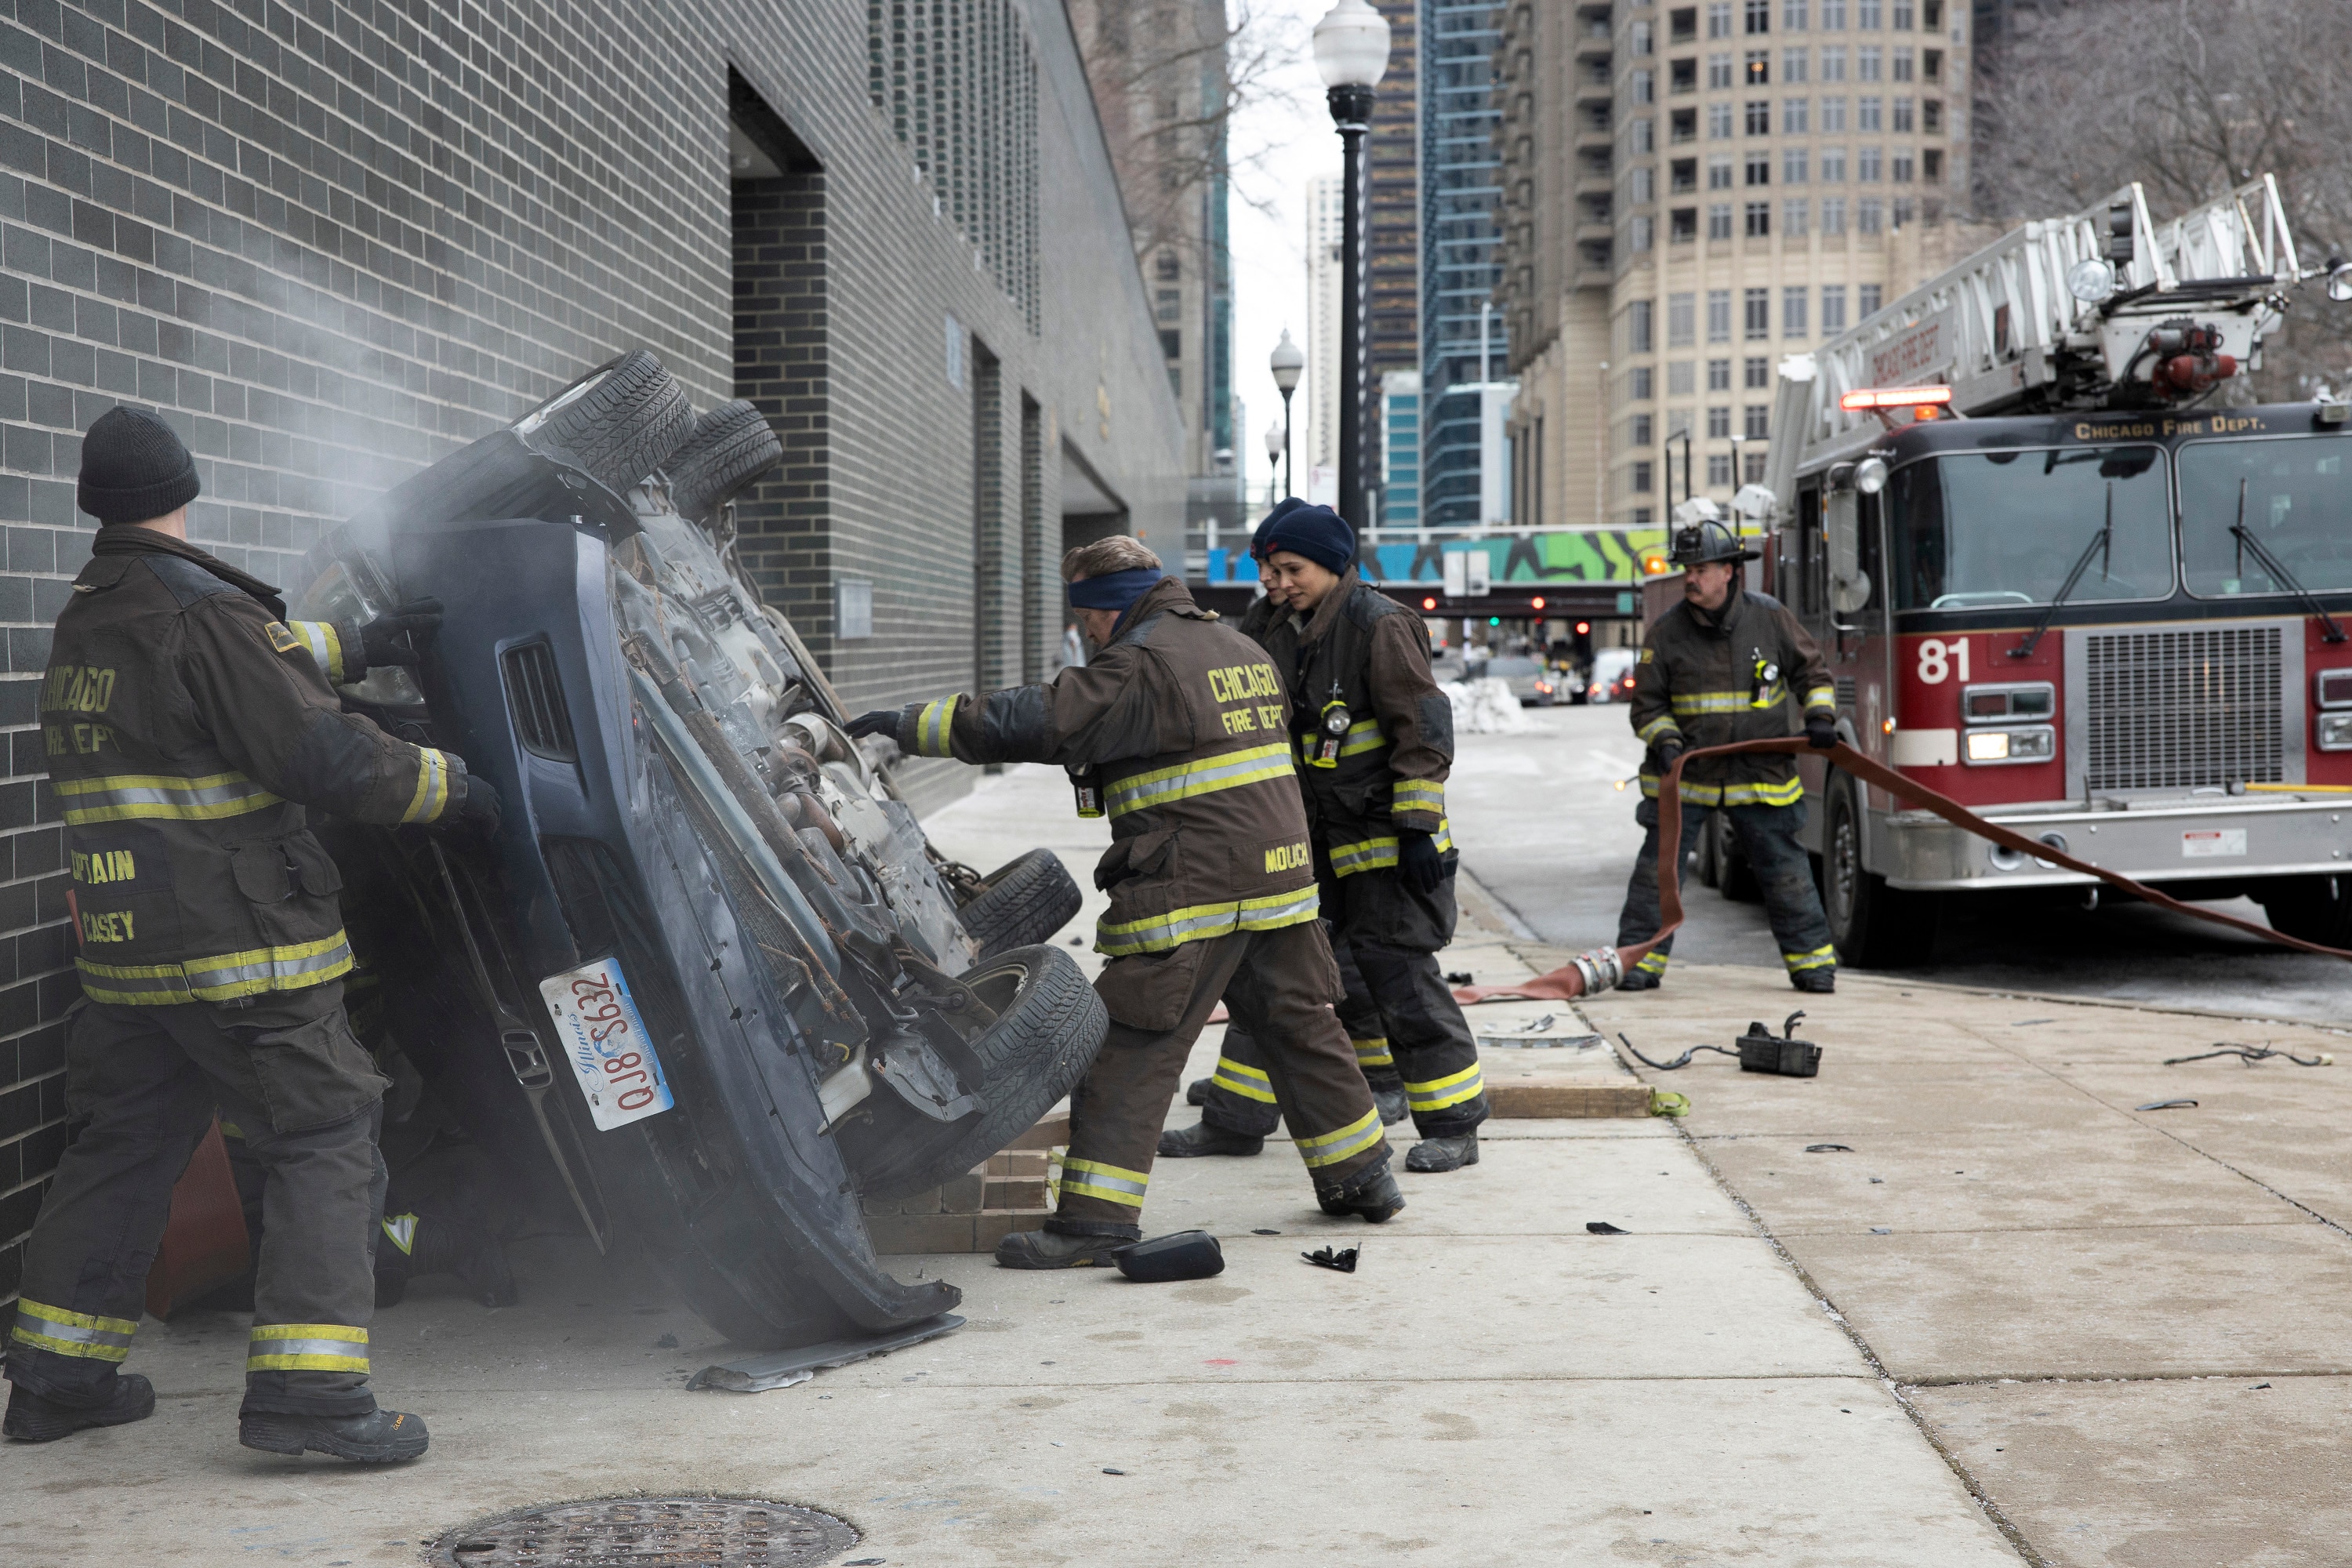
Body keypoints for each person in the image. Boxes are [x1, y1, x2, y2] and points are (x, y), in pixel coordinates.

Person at [2, 406, 496, 1460]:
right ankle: (310, 1398)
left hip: (132, 952)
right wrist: (456, 787)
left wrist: (347, 646)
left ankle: (54, 1379)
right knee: (324, 1133)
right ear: (187, 488)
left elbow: (214, 677)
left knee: (123, 1144)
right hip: (240, 945)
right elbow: (326, 760)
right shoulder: (205, 612)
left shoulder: (91, 616)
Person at [847, 535, 1403, 1266]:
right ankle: (1363, 1177)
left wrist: (908, 724)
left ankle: (1092, 1225)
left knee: (1129, 1048)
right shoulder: (1239, 648)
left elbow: (1040, 718)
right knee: (1303, 1029)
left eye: (1086, 617)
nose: (1087, 632)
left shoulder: (1142, 661)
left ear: (1105, 608)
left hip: (1195, 887)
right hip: (1280, 880)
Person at [1162, 503, 1489, 1173]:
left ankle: (1454, 1123)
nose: (1276, 583)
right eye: (1267, 570)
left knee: (1398, 975)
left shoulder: (1381, 626)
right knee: (1276, 973)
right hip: (1307, 842)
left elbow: (1423, 732)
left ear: (1334, 565)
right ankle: (1238, 1118)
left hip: (1388, 844)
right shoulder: (1270, 627)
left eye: (1291, 569)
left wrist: (1420, 827)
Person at [1614, 508, 1839, 993]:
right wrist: (1667, 740)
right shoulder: (1667, 633)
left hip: (1760, 774)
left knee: (1785, 872)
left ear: (1730, 571)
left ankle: (1813, 966)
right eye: (1686, 571)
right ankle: (1639, 966)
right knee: (1658, 875)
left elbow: (1813, 675)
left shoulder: (1770, 619)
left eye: (1699, 571)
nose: (1689, 580)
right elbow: (1646, 706)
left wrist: (1820, 716)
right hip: (1686, 778)